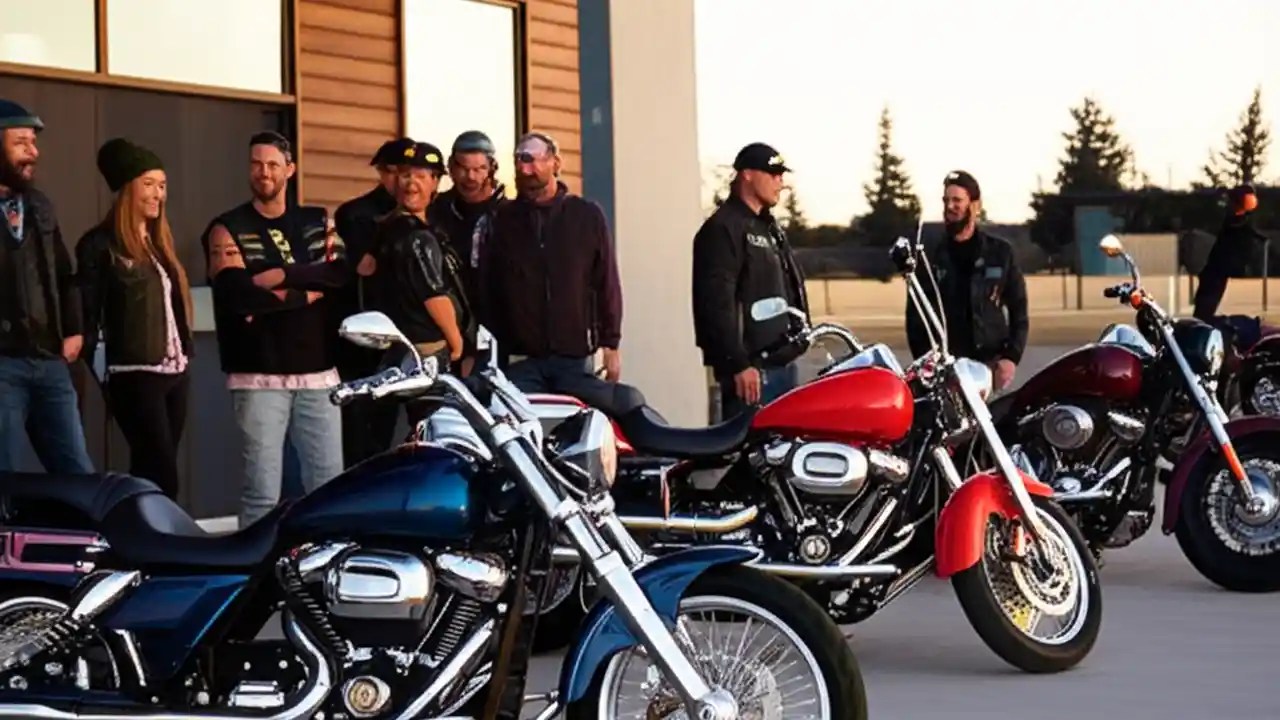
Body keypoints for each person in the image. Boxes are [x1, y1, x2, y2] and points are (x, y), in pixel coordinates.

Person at [202, 130, 347, 528]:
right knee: (262, 489)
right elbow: (236, 293)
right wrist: (306, 290)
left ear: (290, 169)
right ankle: (253, 577)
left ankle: (323, 568)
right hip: (257, 374)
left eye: (272, 164)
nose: (263, 172)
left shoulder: (317, 220)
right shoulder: (226, 227)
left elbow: (338, 275)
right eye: (256, 164)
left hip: (319, 375)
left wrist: (280, 274)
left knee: (328, 485)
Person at [478, 132, 641, 416]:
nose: (524, 169)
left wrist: (611, 343)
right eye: (518, 161)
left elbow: (607, 282)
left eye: (530, 160)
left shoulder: (586, 215)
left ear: (555, 163)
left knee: (582, 432)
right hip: (521, 360)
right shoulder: (503, 220)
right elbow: (489, 291)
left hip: (575, 359)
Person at [76, 138, 193, 499]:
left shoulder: (160, 244)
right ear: (128, 188)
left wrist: (186, 357)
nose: (158, 194)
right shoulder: (99, 245)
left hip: (175, 372)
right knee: (160, 470)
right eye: (149, 184)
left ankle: (143, 542)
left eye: (162, 185)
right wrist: (104, 373)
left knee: (154, 468)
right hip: (135, 374)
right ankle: (160, 545)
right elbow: (87, 315)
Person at [0, 99, 93, 475]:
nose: (33, 152)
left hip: (50, 361)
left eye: (34, 143)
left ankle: (84, 536)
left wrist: (73, 329)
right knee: (4, 475)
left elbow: (64, 273)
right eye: (21, 142)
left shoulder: (39, 205)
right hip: (3, 363)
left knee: (78, 474)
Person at [691, 142, 809, 420]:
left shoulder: (769, 228)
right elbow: (715, 303)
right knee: (749, 455)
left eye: (781, 175)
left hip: (781, 363)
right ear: (746, 174)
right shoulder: (722, 229)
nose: (780, 182)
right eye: (773, 174)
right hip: (750, 373)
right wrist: (738, 363)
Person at [368, 141, 474, 426]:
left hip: (402, 354)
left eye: (420, 176)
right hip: (426, 352)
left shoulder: (394, 229)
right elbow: (434, 294)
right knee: (436, 430)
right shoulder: (415, 236)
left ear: (435, 183)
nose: (411, 183)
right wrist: (457, 342)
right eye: (405, 175)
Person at [331, 136, 413, 466]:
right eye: (392, 172)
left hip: (415, 336)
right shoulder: (357, 214)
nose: (401, 181)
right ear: (381, 173)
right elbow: (366, 265)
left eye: (409, 172)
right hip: (367, 338)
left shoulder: (429, 213)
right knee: (365, 433)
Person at [906, 170, 1028, 391]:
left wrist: (1011, 357)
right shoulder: (928, 256)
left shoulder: (1000, 253)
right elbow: (915, 318)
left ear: (974, 205)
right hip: (946, 372)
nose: (949, 206)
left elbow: (1019, 311)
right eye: (946, 200)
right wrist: (927, 366)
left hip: (989, 368)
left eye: (957, 200)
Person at [428, 130, 509, 302]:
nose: (470, 177)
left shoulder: (509, 215)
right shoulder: (435, 211)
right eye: (463, 168)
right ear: (451, 168)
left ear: (492, 169)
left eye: (479, 169)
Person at [1193, 184, 1267, 323]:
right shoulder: (1237, 221)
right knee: (1204, 309)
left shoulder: (1237, 222)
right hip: (1215, 271)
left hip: (1217, 271)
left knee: (1204, 311)